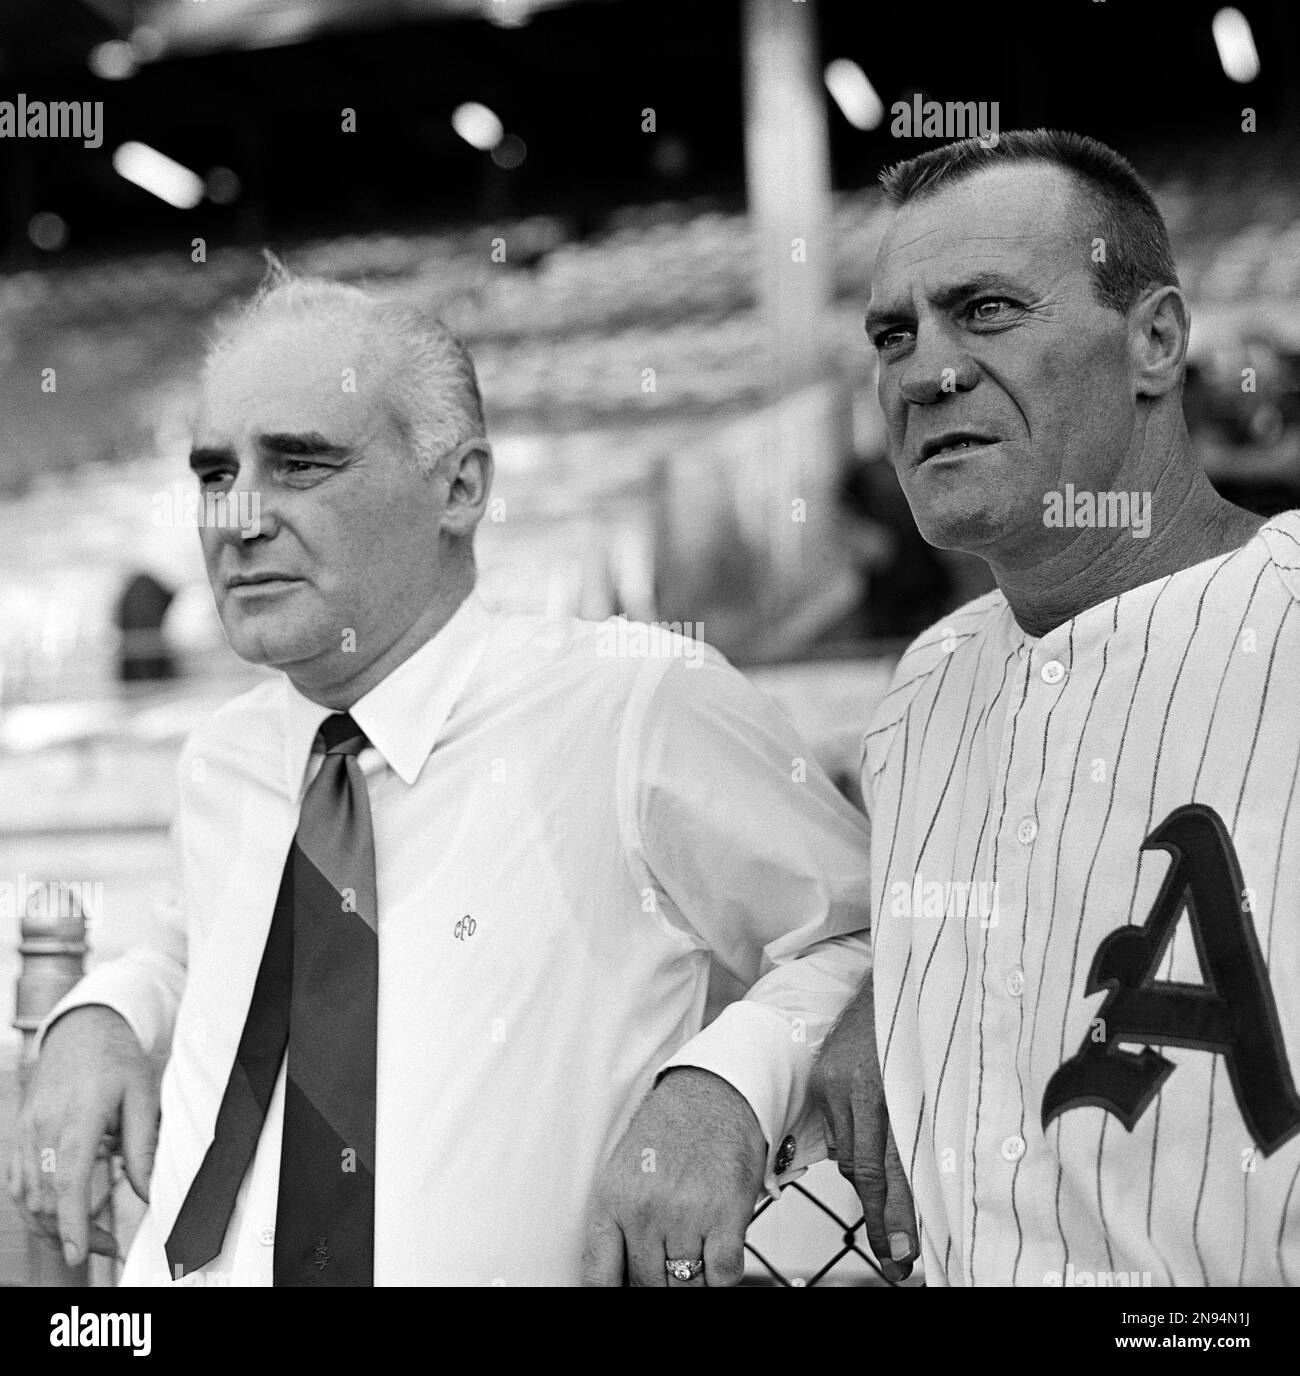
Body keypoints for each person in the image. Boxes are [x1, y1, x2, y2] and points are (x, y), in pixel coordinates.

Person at [11, 267, 871, 1287]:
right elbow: (209, 946)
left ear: (459, 487)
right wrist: (102, 1013)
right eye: (213, 472)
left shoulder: (632, 704)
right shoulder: (225, 757)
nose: (236, 518)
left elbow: (862, 936)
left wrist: (726, 1080)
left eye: (298, 464)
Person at [812, 130, 1300, 1286]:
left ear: (1155, 340)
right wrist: (834, 1009)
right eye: (894, 333)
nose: (924, 370)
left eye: (984, 310)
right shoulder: (923, 687)